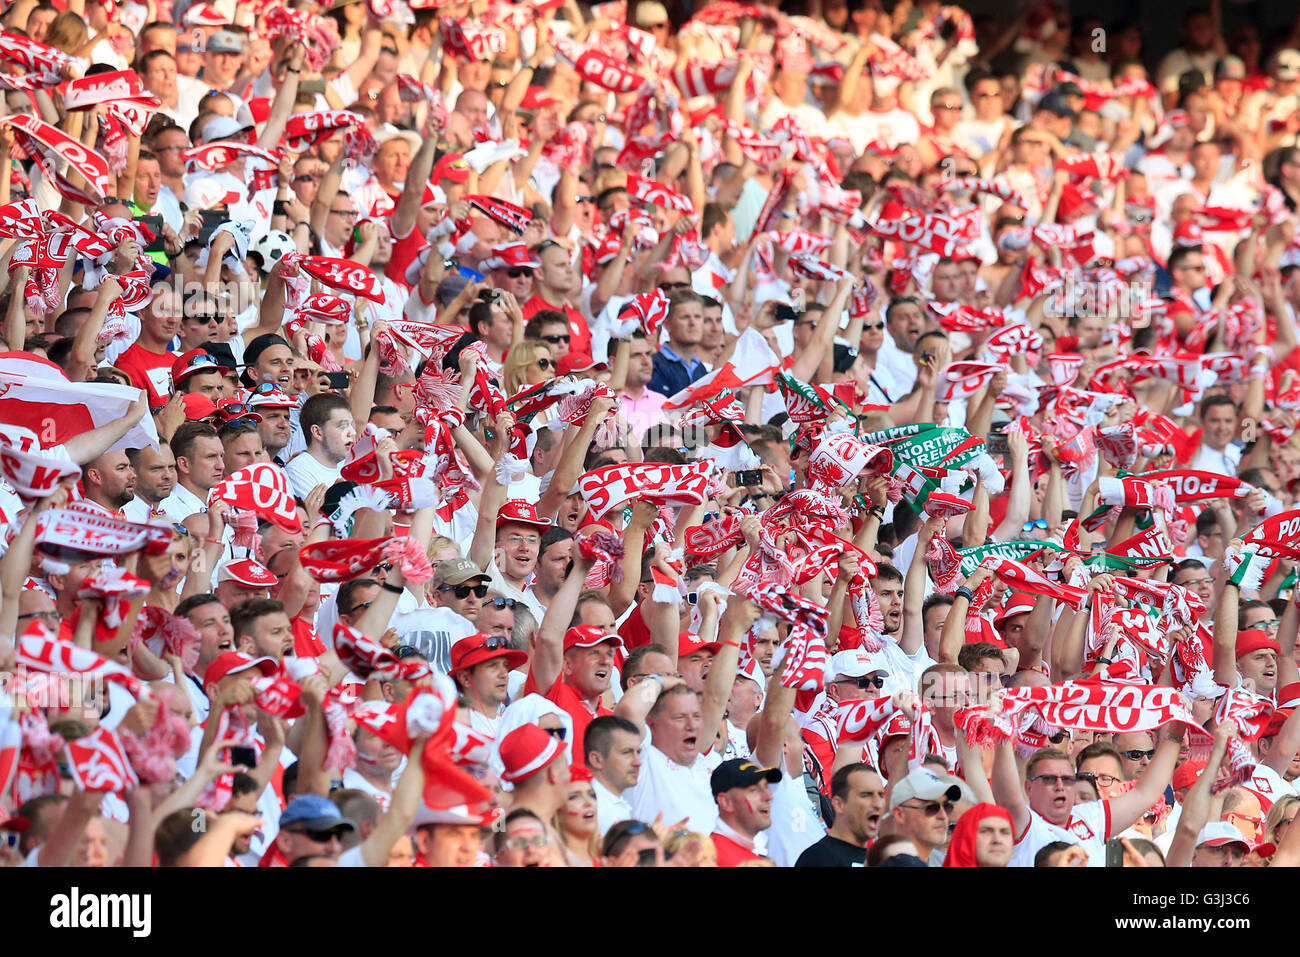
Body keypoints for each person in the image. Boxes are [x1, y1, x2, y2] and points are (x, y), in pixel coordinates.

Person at [795, 763, 885, 867]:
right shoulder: (817, 859)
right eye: (866, 795)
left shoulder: (879, 861)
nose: (878, 804)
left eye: (881, 795)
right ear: (839, 804)